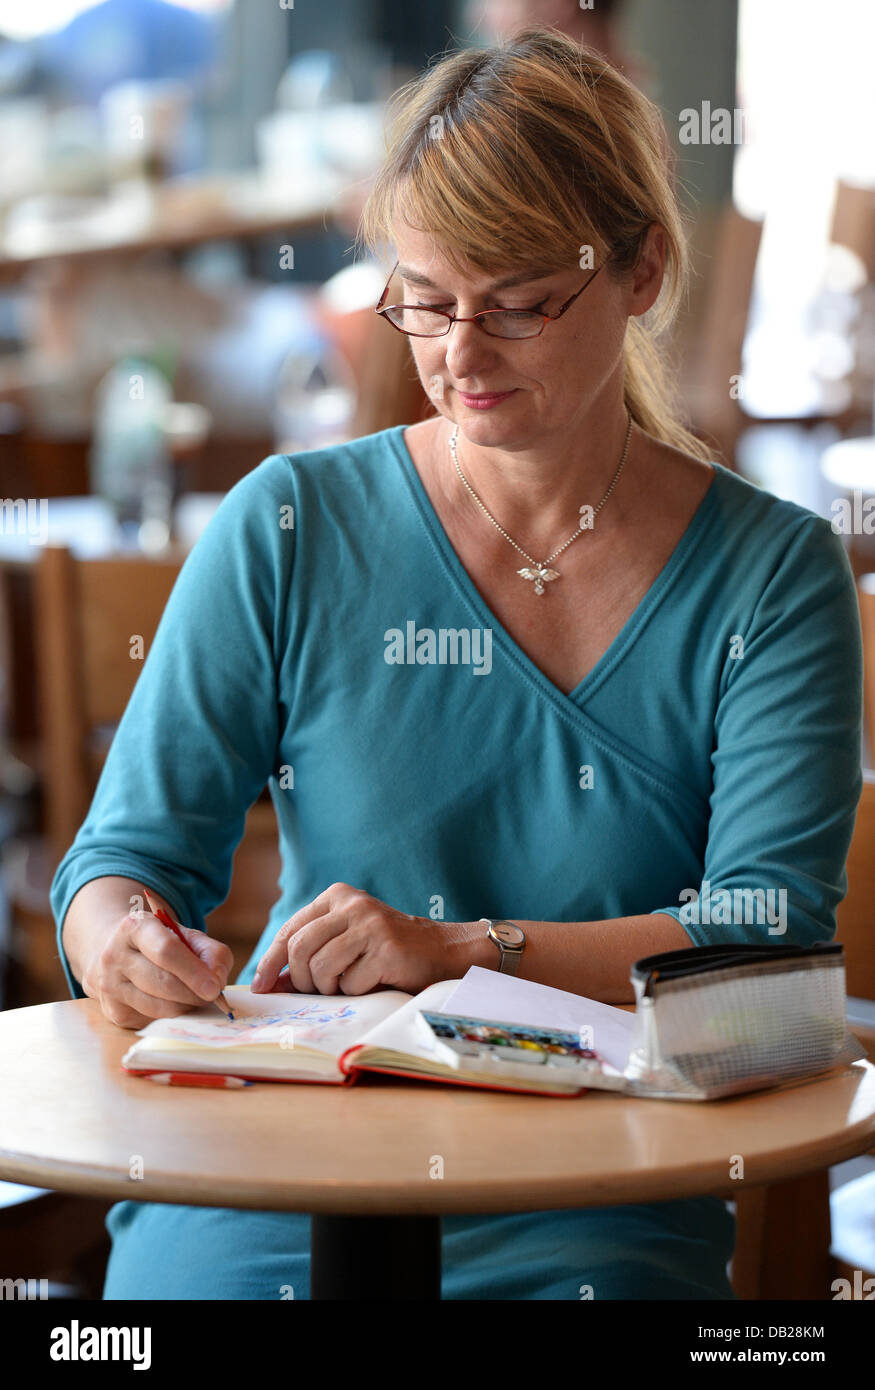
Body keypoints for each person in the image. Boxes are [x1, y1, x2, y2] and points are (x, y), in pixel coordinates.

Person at [51, 28, 862, 1300]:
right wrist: (121, 945)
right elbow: (120, 866)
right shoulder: (287, 526)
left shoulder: (771, 575)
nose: (460, 356)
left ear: (641, 266)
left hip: (598, 1191)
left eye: (520, 302)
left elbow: (761, 951)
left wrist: (460, 950)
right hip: (281, 1164)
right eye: (423, 298)